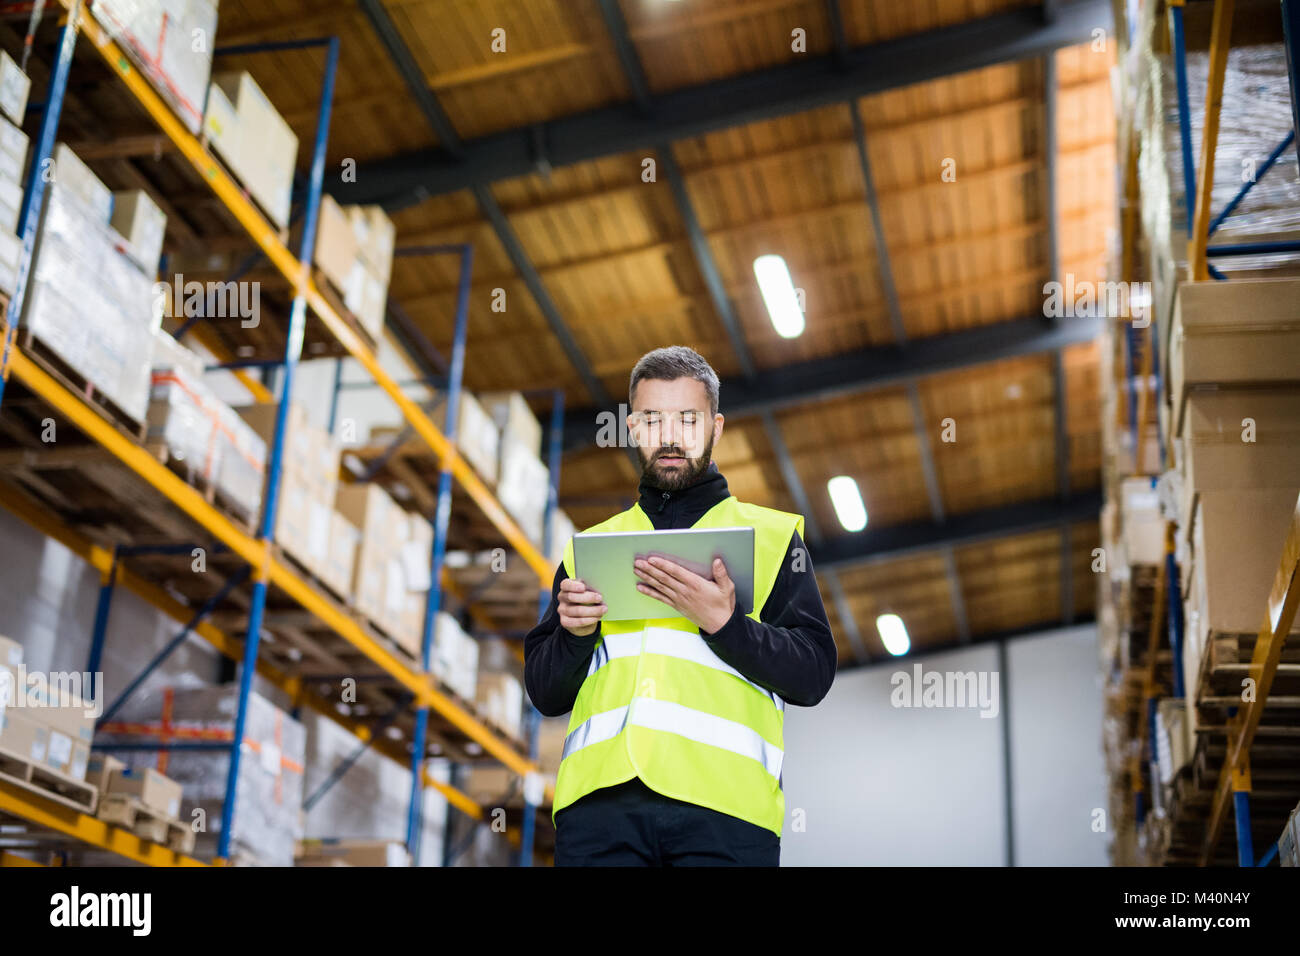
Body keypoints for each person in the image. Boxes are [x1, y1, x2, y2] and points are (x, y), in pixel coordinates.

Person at [524, 345, 837, 866]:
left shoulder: (773, 538)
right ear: (632, 429)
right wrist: (573, 638)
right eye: (653, 420)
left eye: (688, 420)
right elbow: (544, 691)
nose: (670, 437)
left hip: (726, 816)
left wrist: (726, 626)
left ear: (716, 428)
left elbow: (814, 674)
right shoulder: (588, 549)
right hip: (599, 817)